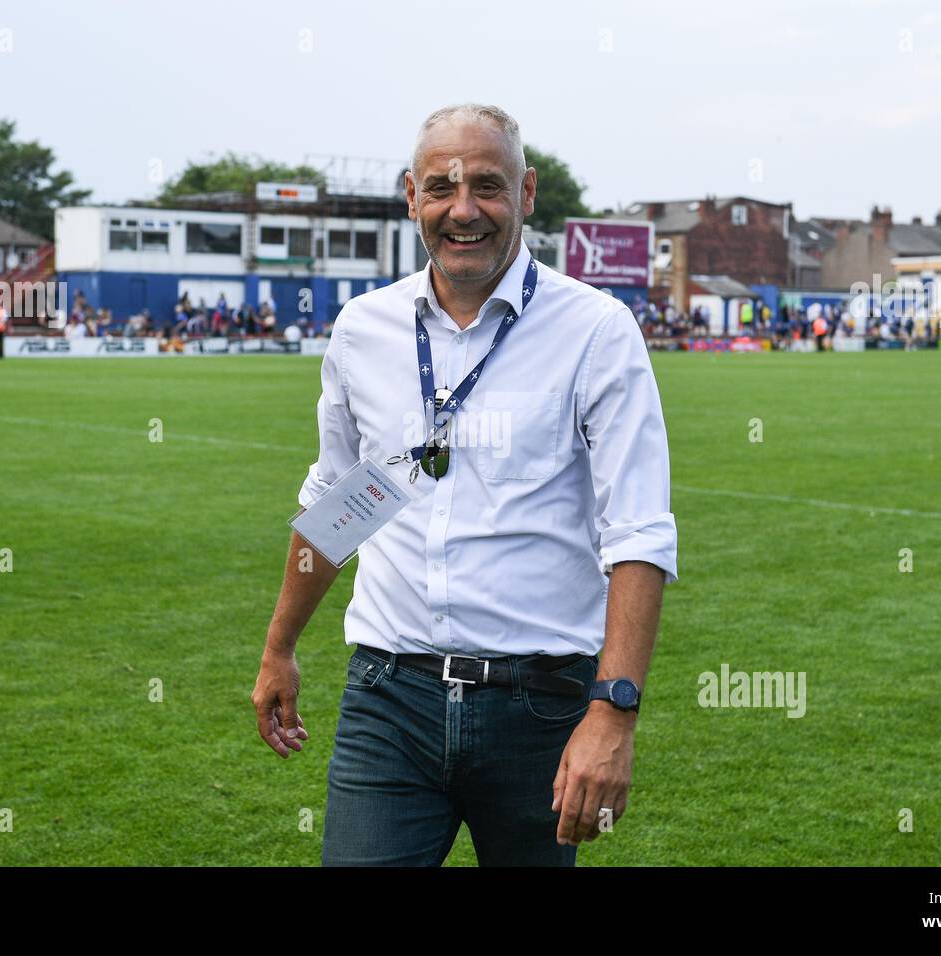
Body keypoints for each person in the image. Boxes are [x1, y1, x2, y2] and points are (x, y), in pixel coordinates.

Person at [251, 103, 678, 867]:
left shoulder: (596, 331)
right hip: (389, 698)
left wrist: (613, 714)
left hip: (538, 706)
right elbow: (342, 504)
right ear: (412, 195)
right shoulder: (363, 329)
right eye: (442, 188)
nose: (465, 210)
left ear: (528, 193)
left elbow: (638, 532)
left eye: (488, 185)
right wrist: (279, 646)